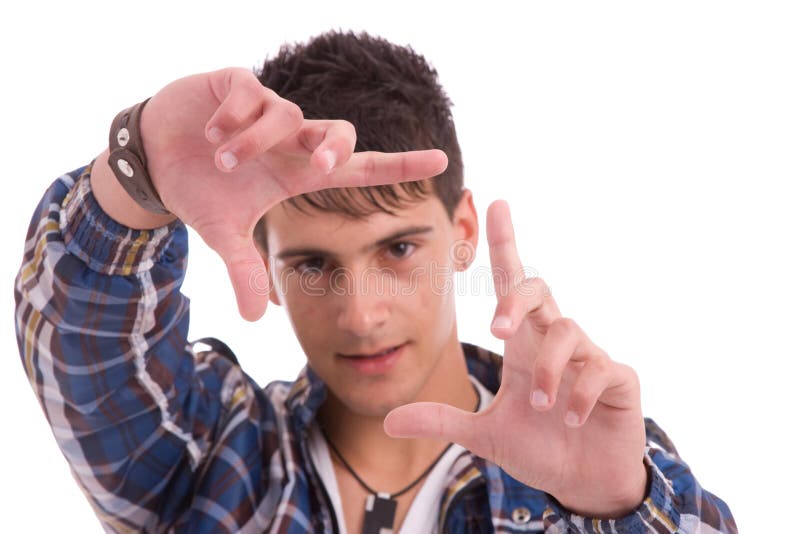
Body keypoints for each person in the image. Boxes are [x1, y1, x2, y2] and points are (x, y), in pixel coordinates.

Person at [14, 31, 736, 533]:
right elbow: (84, 346)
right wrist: (141, 168)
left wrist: (618, 510)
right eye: (313, 264)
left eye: (396, 249)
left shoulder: (588, 474)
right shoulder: (215, 460)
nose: (360, 315)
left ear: (461, 236)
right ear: (265, 259)